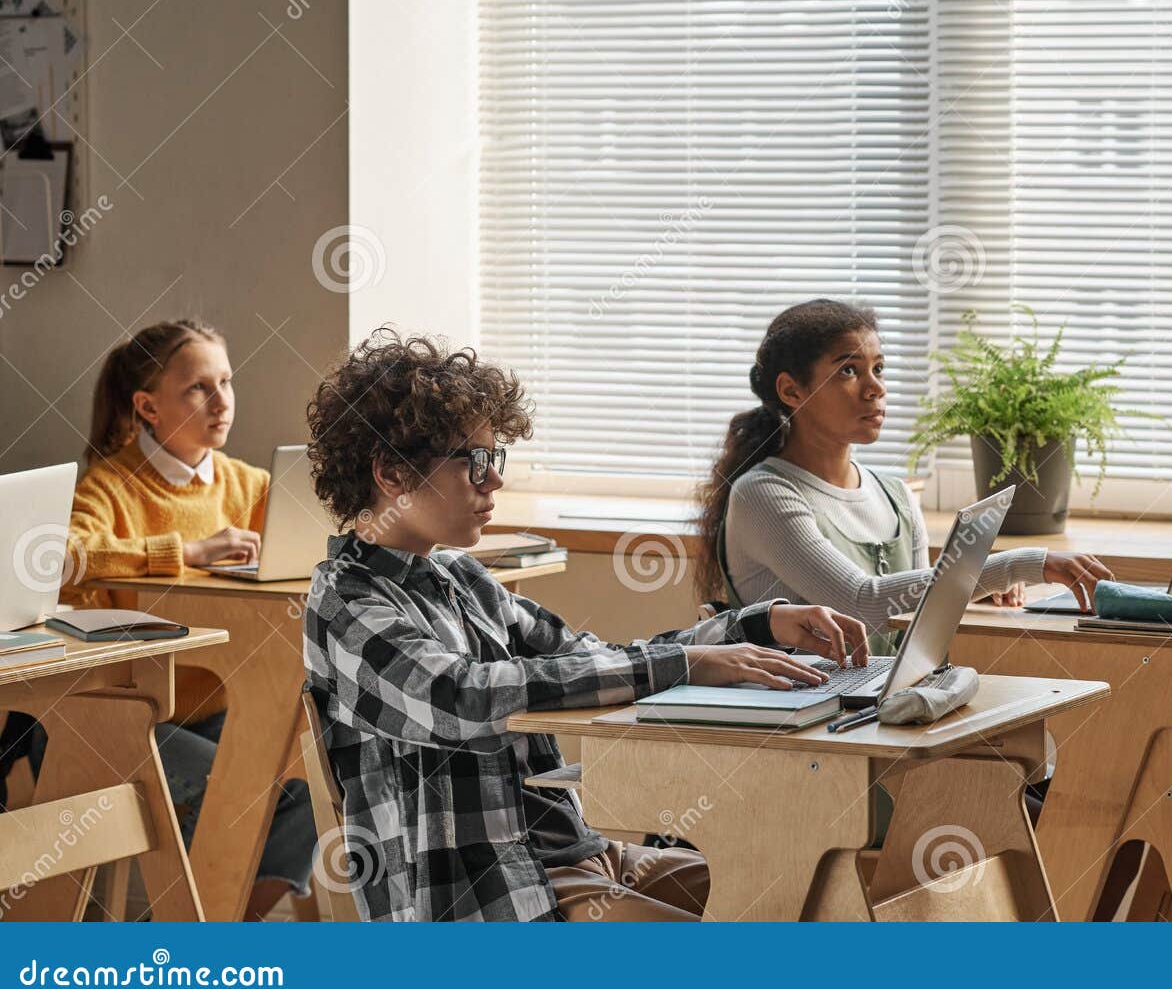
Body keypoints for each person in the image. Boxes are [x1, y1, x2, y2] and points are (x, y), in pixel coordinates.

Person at [301, 328, 870, 921]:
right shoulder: (345, 603)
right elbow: (459, 698)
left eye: (494, 459)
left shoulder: (459, 579)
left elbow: (593, 656)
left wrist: (755, 628)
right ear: (392, 474)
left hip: (584, 856)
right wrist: (688, 665)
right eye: (474, 462)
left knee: (809, 890)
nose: (494, 479)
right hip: (494, 895)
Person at [61, 318, 317, 918]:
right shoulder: (109, 485)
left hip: (220, 709)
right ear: (147, 406)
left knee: (313, 783)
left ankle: (201, 940)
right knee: (245, 792)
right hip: (126, 712)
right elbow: (65, 557)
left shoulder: (248, 483)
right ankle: (183, 947)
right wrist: (187, 551)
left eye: (227, 382)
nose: (222, 402)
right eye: (198, 388)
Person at [695, 298, 1113, 649]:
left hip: (881, 708)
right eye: (848, 370)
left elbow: (911, 617)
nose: (874, 387)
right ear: (792, 391)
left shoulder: (895, 494)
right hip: (801, 719)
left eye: (879, 368)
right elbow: (863, 603)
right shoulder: (762, 494)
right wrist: (1018, 565)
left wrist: (973, 590)